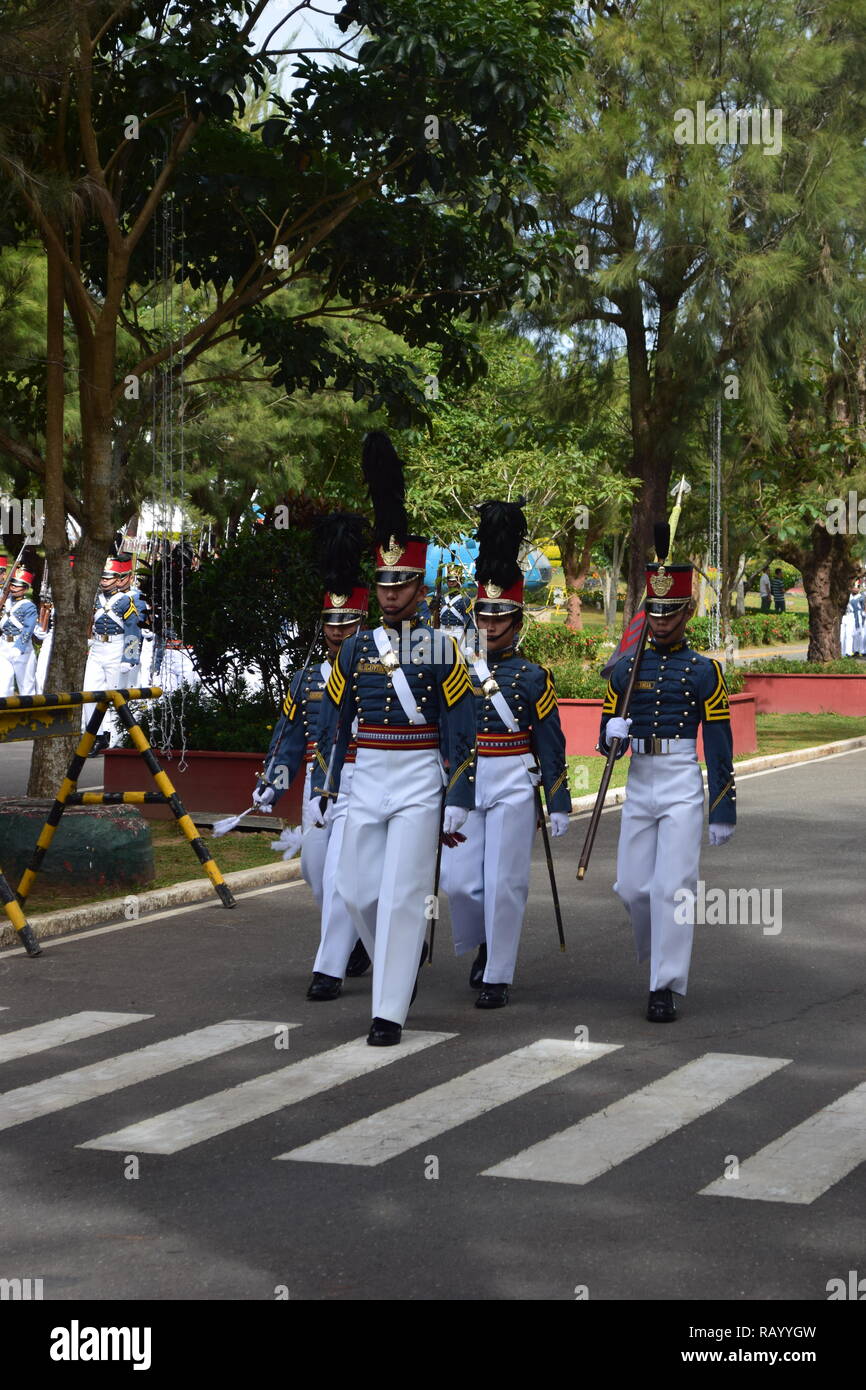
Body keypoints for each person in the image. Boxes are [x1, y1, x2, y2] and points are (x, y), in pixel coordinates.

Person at [312, 431, 477, 1046]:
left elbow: (461, 731)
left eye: (401, 582)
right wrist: (329, 782)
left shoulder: (442, 647)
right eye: (382, 582)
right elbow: (335, 721)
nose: (389, 592)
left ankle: (388, 1012)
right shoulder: (354, 646)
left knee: (406, 892)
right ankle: (396, 968)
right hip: (368, 774)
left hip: (416, 780)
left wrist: (458, 793)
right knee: (354, 889)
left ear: (420, 588)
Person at [440, 500, 571, 1009]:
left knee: (504, 880)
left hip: (515, 776)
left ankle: (497, 972)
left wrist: (557, 800)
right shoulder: (455, 669)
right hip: (469, 780)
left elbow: (552, 744)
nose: (491, 623)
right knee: (459, 880)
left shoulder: (533, 676)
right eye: (484, 613)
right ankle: (485, 940)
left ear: (517, 619)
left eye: (501, 615)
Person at [598, 556, 736, 1022]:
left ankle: (664, 984)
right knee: (634, 888)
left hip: (679, 778)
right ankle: (656, 955)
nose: (659, 621)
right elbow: (605, 740)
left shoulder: (703, 672)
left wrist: (722, 807)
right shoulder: (624, 670)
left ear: (688, 612)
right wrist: (610, 736)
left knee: (674, 888)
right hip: (640, 777)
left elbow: (718, 745)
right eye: (654, 611)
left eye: (670, 611)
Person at [254, 513, 371, 998]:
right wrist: (272, 780)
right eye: (331, 621)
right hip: (318, 783)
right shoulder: (307, 679)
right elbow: (289, 737)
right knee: (315, 872)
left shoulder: (380, 674)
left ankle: (329, 967)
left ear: (363, 622)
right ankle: (362, 938)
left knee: (343, 871)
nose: (338, 630)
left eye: (347, 621)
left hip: (363, 778)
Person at [82, 556, 143, 754]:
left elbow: (133, 629)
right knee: (90, 691)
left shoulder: (126, 601)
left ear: (118, 579)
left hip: (116, 649)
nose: (104, 581)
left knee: (115, 693)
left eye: (108, 578)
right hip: (98, 647)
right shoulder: (95, 598)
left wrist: (129, 657)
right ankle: (96, 735)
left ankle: (114, 734)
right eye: (103, 577)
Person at [0, 563, 38, 697]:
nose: (14, 588)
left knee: (26, 689)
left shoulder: (29, 607)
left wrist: (19, 646)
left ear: (25, 588)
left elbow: (28, 629)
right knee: (3, 687)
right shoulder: (4, 601)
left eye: (18, 586)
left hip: (22, 650)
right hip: (3, 646)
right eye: (12, 584)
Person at [438, 563, 475, 632]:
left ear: (461, 581)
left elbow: (470, 622)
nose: (451, 583)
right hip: (441, 630)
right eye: (449, 580)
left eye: (454, 580)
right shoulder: (442, 598)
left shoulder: (465, 599)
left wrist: (471, 641)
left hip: (457, 632)